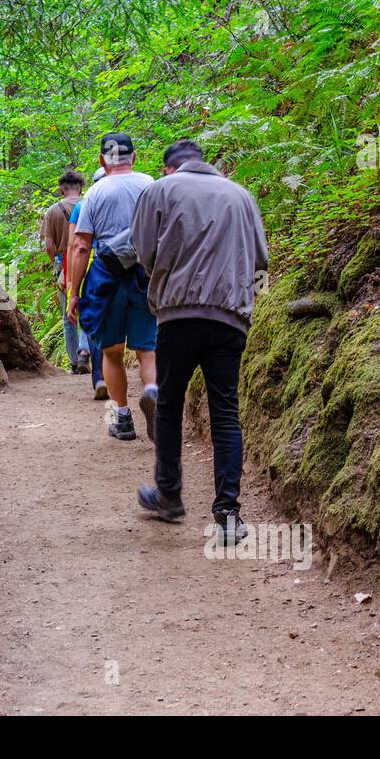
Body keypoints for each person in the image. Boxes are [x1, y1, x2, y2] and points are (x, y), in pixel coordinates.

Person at [130, 140, 269, 545]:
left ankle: (169, 495)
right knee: (225, 411)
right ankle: (227, 514)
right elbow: (260, 258)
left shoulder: (159, 190)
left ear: (170, 167)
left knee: (170, 404)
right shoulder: (241, 195)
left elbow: (143, 250)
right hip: (230, 316)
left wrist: (168, 276)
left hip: (178, 312)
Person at [66, 133, 159, 441]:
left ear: (102, 160)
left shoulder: (94, 193)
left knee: (112, 350)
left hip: (107, 281)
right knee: (148, 349)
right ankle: (153, 392)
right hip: (146, 277)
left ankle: (122, 417)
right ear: (134, 157)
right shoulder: (151, 186)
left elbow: (80, 247)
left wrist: (74, 292)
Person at [41, 170, 90, 374]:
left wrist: (57, 264)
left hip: (64, 265)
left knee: (68, 314)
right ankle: (85, 351)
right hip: (89, 260)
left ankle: (73, 362)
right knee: (90, 308)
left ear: (62, 189)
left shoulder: (52, 211)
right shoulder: (90, 205)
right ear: (81, 187)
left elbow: (49, 245)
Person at [67, 169, 108, 398]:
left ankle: (99, 374)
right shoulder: (134, 195)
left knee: (92, 319)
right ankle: (150, 382)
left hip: (92, 269)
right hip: (128, 270)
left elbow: (76, 245)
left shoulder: (84, 206)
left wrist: (73, 284)